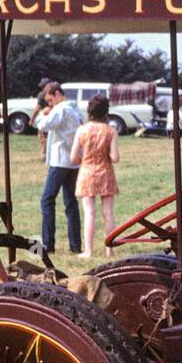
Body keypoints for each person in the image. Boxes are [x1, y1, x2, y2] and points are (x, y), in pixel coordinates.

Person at [70, 94, 120, 260]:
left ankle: (88, 251)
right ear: (105, 111)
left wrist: (85, 159)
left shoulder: (82, 130)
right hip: (105, 172)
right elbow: (115, 158)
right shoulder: (110, 131)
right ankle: (110, 250)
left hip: (87, 172)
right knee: (108, 213)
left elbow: (73, 157)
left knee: (89, 213)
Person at [36, 82, 83, 256]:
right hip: (74, 161)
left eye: (50, 100)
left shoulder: (61, 108)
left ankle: (48, 244)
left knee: (47, 200)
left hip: (60, 161)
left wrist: (43, 114)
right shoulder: (74, 109)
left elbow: (42, 125)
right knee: (71, 203)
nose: (50, 104)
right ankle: (75, 244)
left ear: (56, 94)